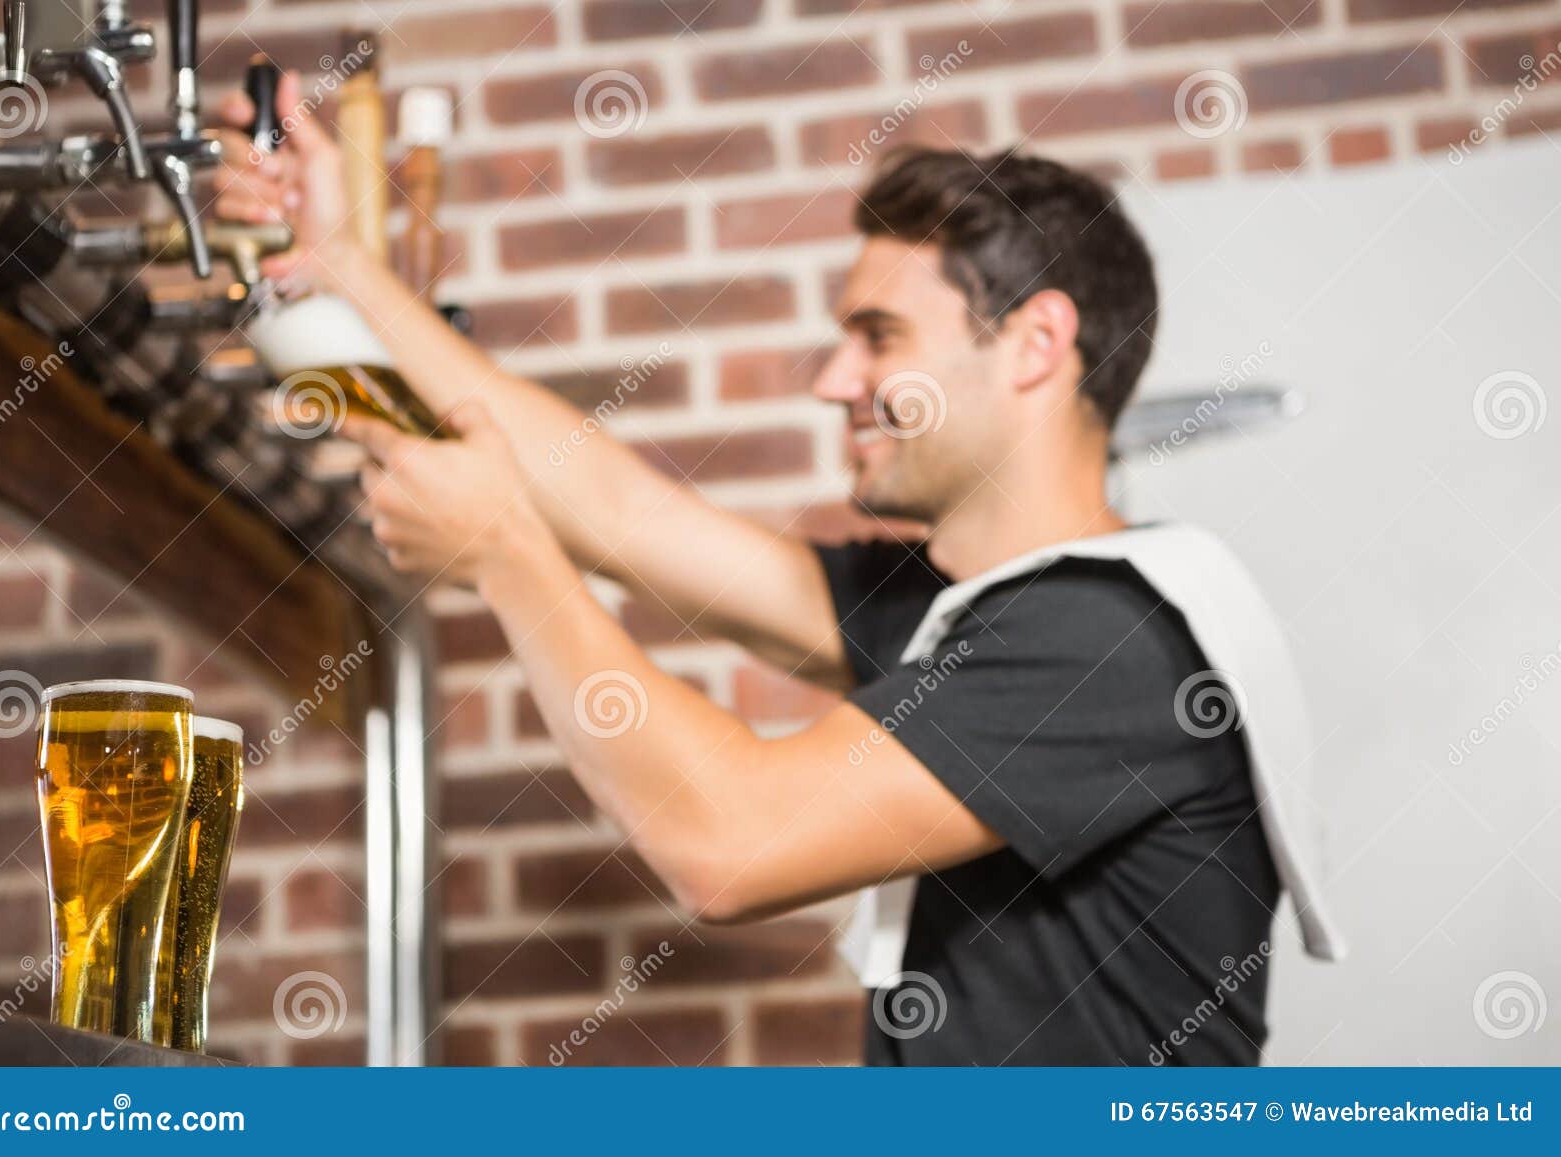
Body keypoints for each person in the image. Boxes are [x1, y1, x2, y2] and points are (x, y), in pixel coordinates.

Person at [212, 75, 1339, 1066]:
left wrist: (508, 555)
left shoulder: (1110, 634)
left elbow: (731, 844)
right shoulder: (965, 613)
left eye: (878, 334)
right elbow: (613, 508)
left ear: (1036, 343)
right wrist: (347, 264)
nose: (830, 378)